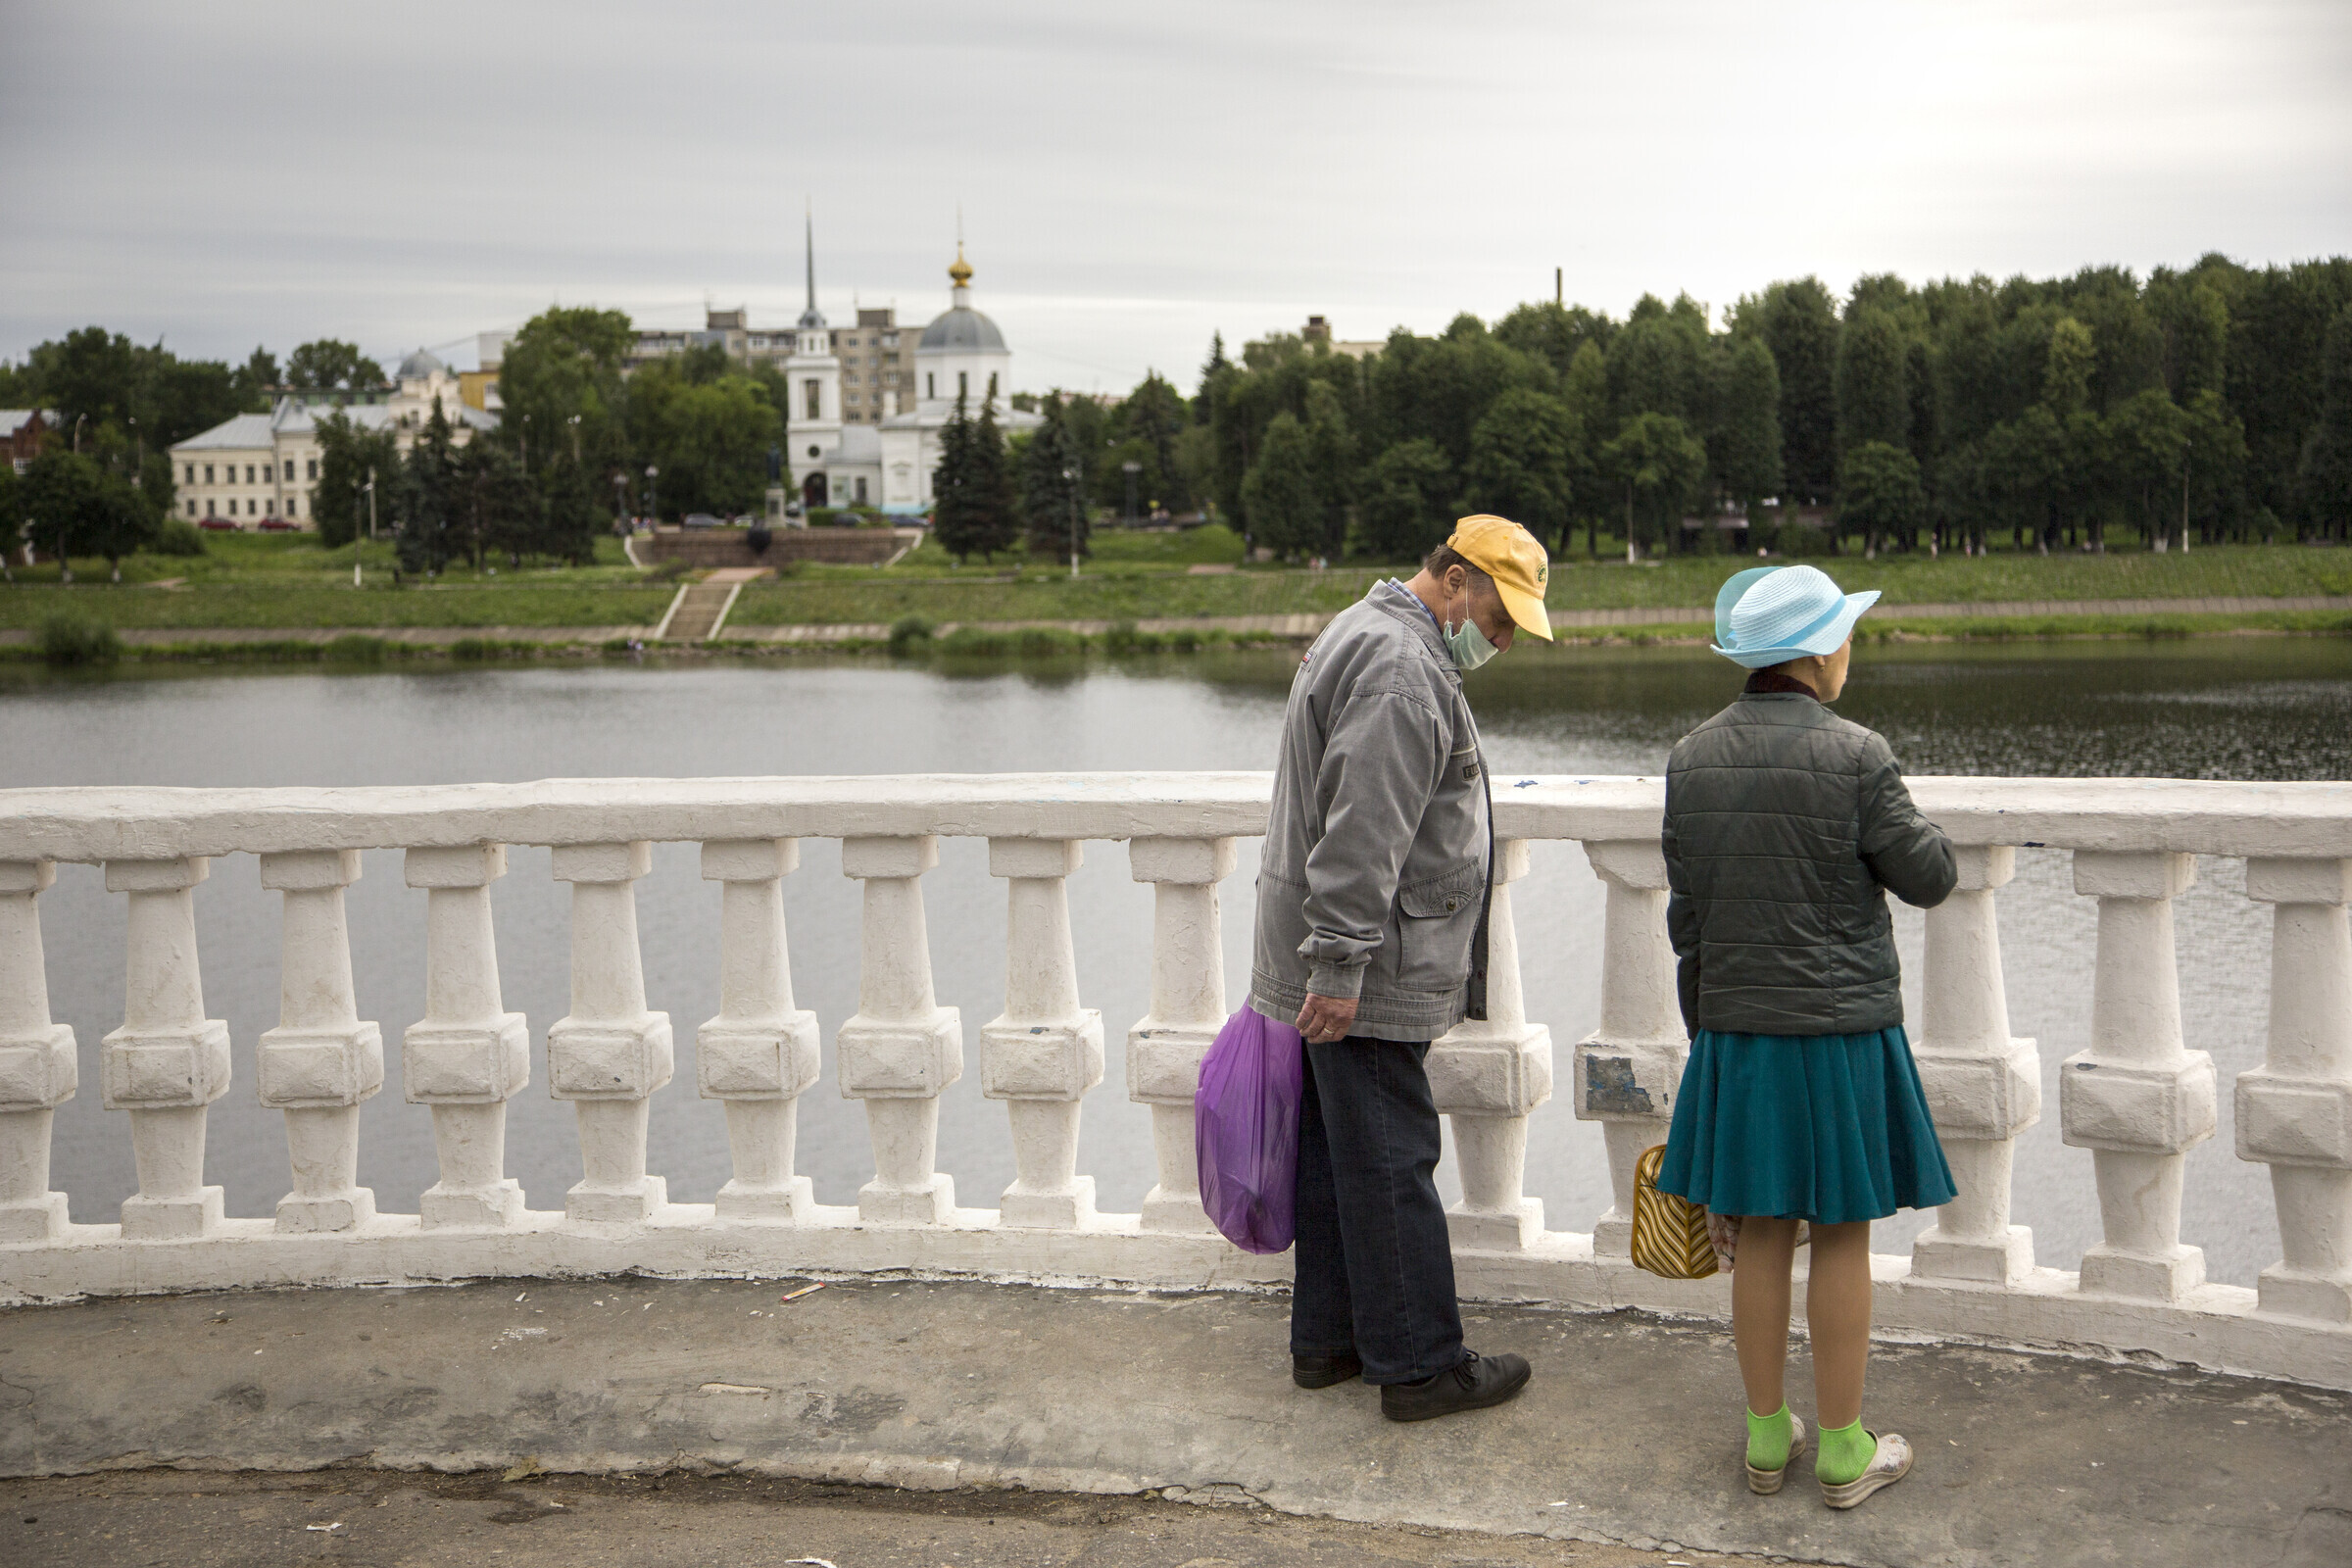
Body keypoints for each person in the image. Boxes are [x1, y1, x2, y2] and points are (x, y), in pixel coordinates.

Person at [1656, 564, 1958, 1508]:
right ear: (1820, 650)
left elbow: (1688, 917)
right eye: (1846, 635)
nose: (1850, 649)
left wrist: (1705, 1029)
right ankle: (1840, 1451)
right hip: (1837, 1034)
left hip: (1736, 1032)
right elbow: (1930, 876)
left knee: (1756, 1232)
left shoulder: (1690, 758)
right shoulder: (1859, 754)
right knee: (1839, 1237)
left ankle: (1761, 1442)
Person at [1249, 514, 1552, 1422]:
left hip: (1338, 956)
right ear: (1456, 580)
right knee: (1391, 1159)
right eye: (1501, 618)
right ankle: (1419, 1366)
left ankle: (1330, 1343)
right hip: (1366, 968)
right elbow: (1363, 837)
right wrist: (1340, 968)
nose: (1501, 641)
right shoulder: (1402, 671)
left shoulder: (1368, 631)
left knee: (1338, 1157)